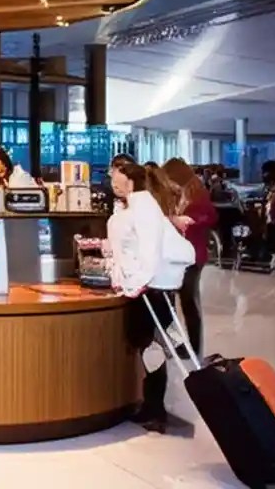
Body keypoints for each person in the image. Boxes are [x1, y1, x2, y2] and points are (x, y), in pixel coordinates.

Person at [107, 160, 193, 433]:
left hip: (151, 289)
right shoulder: (137, 205)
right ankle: (152, 406)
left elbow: (148, 250)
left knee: (152, 346)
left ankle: (155, 409)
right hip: (152, 287)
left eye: (116, 177)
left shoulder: (142, 207)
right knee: (150, 345)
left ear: (128, 180)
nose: (112, 182)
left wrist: (136, 281)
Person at [163, 158, 218, 355]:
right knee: (175, 301)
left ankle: (193, 347)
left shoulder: (197, 194)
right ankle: (178, 344)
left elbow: (210, 217)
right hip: (178, 254)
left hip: (193, 256)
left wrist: (190, 221)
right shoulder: (178, 194)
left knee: (188, 301)